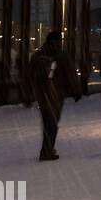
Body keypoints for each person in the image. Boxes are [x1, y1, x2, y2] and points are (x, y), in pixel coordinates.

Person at [30, 32, 81, 161]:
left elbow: (28, 74)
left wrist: (28, 93)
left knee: (47, 120)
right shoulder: (61, 55)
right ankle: (47, 151)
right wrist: (76, 91)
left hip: (41, 93)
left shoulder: (38, 55)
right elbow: (70, 74)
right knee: (52, 122)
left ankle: (46, 150)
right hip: (56, 94)